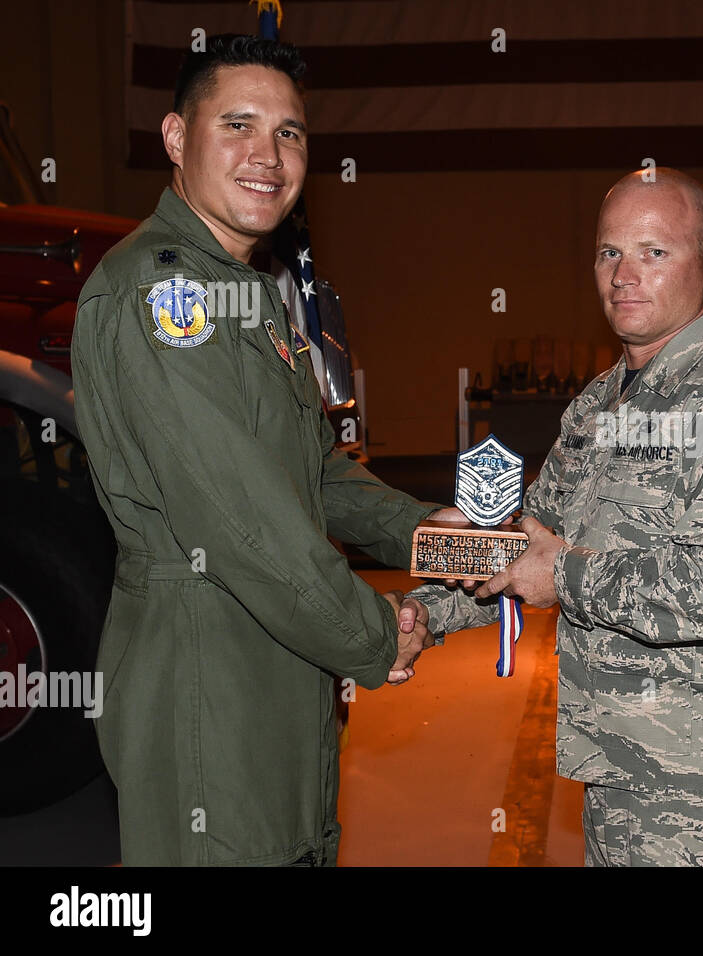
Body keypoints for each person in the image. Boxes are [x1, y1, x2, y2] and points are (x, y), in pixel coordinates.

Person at [71, 35, 441, 866]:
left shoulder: (244, 291)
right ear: (175, 138)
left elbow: (310, 468)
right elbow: (239, 519)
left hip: (276, 649)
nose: (267, 157)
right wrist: (373, 633)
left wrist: (429, 533)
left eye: (290, 133)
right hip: (208, 665)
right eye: (237, 124)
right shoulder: (165, 295)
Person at [410, 169, 703, 866]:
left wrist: (563, 575)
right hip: (617, 774)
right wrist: (413, 615)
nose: (624, 275)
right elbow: (526, 541)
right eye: (609, 253)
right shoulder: (600, 405)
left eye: (654, 252)